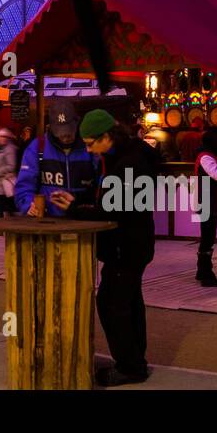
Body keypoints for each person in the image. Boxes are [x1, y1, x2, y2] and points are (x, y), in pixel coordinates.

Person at [78, 109, 160, 388]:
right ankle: (136, 361)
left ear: (107, 136)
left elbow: (115, 212)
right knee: (129, 303)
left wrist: (75, 210)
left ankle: (130, 366)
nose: (90, 150)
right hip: (131, 245)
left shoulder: (130, 163)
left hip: (126, 246)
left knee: (112, 304)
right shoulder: (127, 156)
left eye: (91, 143)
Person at [14, 102, 102, 217]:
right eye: (60, 133)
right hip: (48, 220)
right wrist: (28, 205)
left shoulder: (90, 146)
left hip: (84, 217)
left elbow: (101, 181)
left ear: (77, 123)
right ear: (51, 127)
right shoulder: (37, 147)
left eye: (69, 132)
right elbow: (25, 184)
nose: (65, 137)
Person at [192, 126, 217, 287]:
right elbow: (216, 174)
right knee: (207, 237)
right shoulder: (205, 156)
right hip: (207, 200)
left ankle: (202, 270)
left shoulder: (210, 154)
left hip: (210, 199)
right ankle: (205, 272)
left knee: (209, 235)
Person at [0, 126, 21, 228]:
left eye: (3, 137)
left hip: (4, 182)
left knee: (4, 206)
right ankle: (3, 225)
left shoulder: (9, 149)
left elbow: (11, 165)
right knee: (2, 206)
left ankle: (4, 226)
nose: (0, 138)